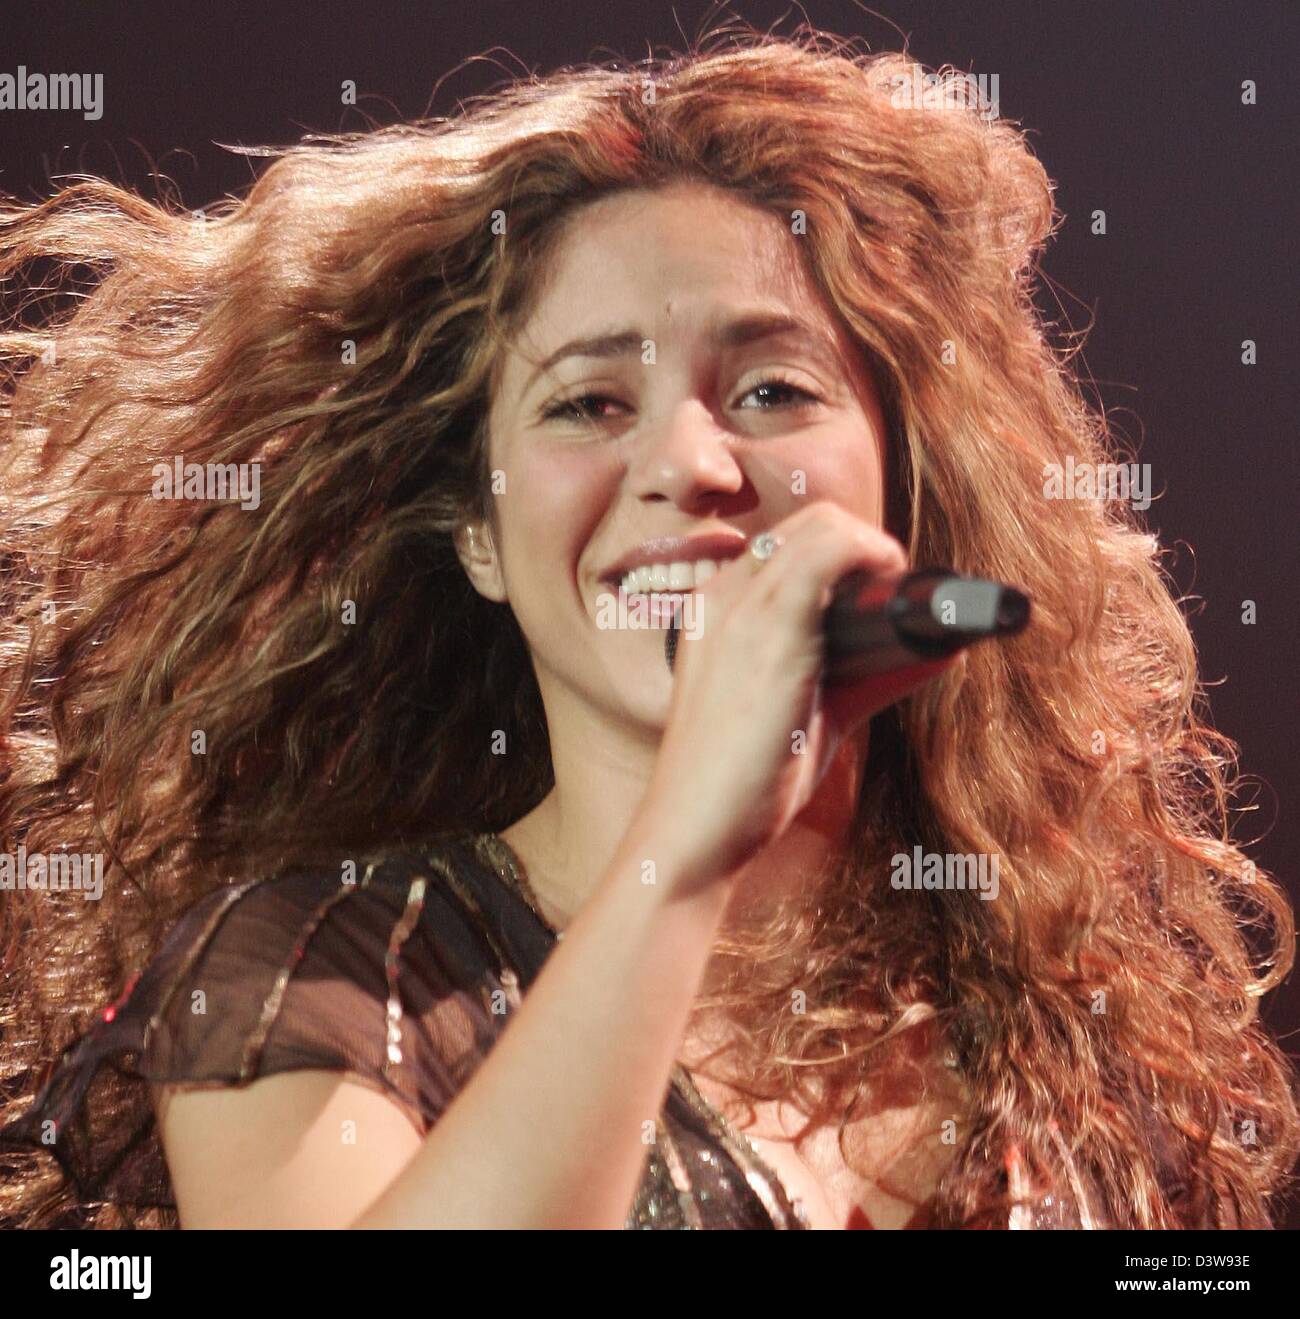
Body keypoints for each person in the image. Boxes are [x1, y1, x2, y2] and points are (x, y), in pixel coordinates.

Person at [0, 27, 1294, 1230]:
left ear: (910, 482)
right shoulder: (311, 977)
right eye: (587, 406)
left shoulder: (1070, 1012)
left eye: (774, 389)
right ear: (478, 540)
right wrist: (685, 848)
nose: (690, 462)